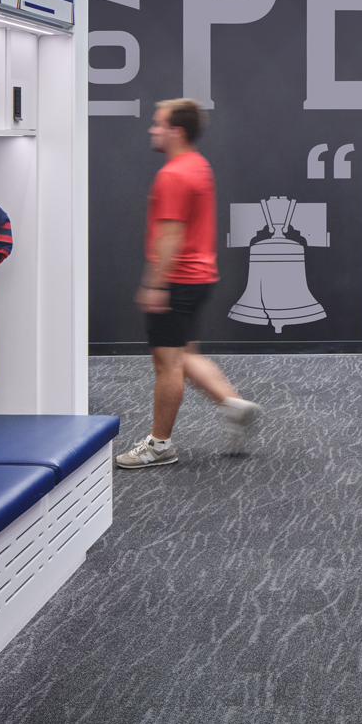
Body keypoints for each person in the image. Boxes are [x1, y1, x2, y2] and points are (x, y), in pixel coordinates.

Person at [116, 99, 261, 468]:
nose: (152, 129)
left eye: (158, 124)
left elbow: (170, 235)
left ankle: (159, 444)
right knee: (184, 355)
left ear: (176, 131)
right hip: (200, 278)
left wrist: (156, 284)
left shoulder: (173, 175)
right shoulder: (199, 166)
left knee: (167, 365)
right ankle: (233, 404)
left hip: (177, 281)